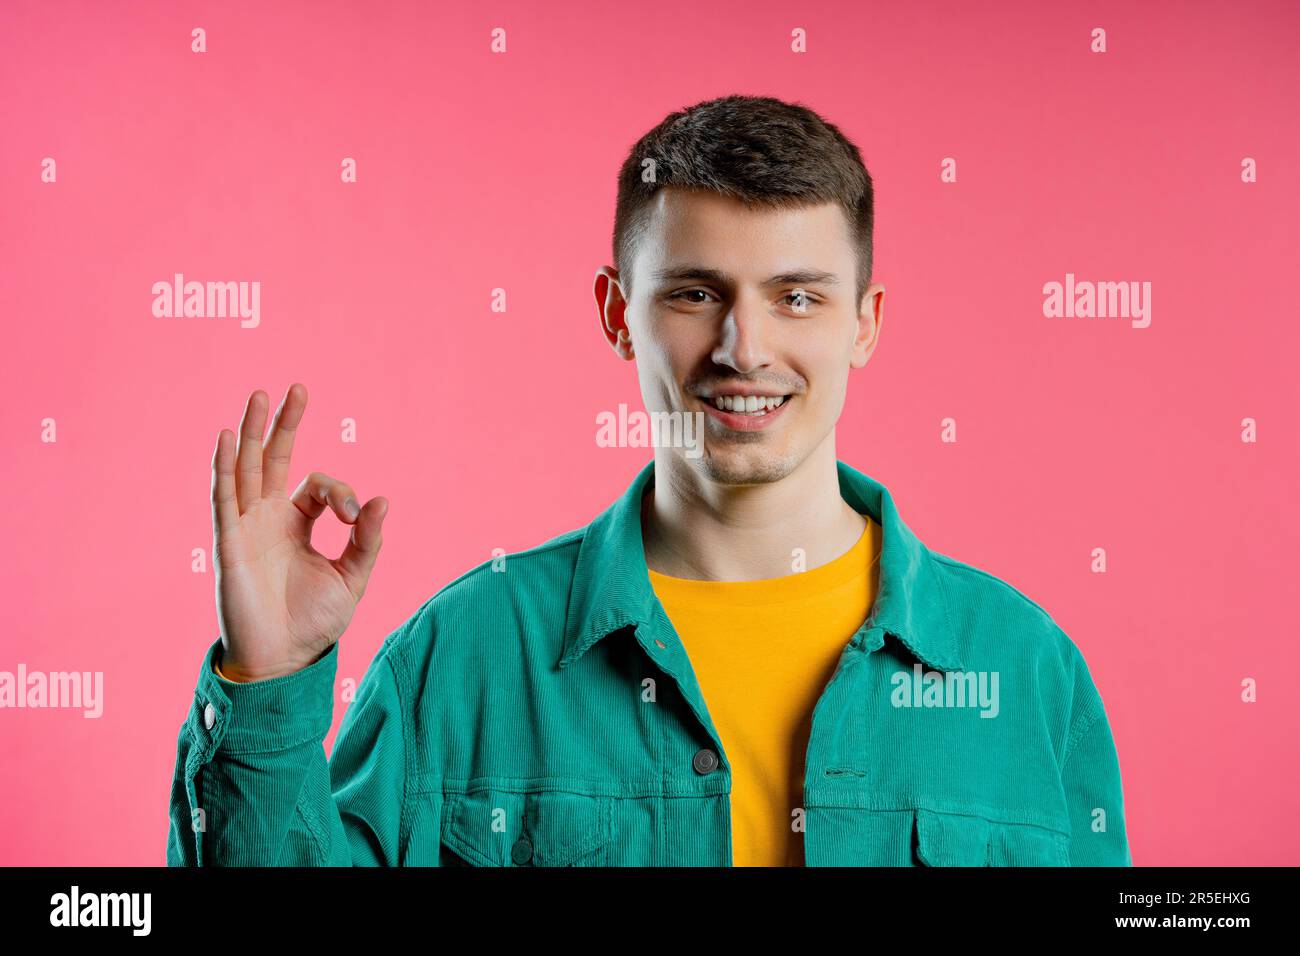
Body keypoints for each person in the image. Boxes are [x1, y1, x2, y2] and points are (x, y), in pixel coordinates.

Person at [167, 94, 1131, 867]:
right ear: (617, 313)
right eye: (696, 293)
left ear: (865, 323)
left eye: (798, 296)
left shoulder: (1026, 672)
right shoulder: (462, 658)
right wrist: (269, 682)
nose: (742, 348)